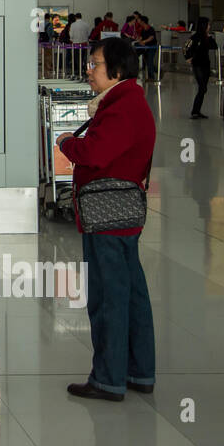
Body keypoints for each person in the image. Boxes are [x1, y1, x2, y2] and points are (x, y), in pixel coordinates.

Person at [56, 36, 156, 401]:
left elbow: (95, 153)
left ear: (115, 70)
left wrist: (67, 143)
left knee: (108, 298)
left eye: (94, 64)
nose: (89, 70)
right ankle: (139, 371)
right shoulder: (127, 101)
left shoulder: (121, 107)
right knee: (131, 295)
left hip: (108, 216)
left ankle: (109, 378)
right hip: (123, 215)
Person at [185, 16, 218, 119]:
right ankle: (195, 111)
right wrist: (188, 58)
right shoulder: (195, 37)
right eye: (208, 24)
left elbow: (215, 46)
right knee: (202, 87)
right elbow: (186, 47)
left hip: (206, 65)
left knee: (203, 89)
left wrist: (210, 37)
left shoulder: (207, 37)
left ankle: (197, 111)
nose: (209, 26)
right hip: (197, 65)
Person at [136, 15, 158, 80]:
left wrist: (144, 41)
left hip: (152, 47)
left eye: (139, 20)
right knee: (147, 61)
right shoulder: (143, 29)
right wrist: (139, 40)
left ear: (143, 21)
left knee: (149, 61)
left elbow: (151, 37)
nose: (138, 21)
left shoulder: (151, 29)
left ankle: (152, 77)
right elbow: (142, 37)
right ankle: (158, 71)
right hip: (145, 47)